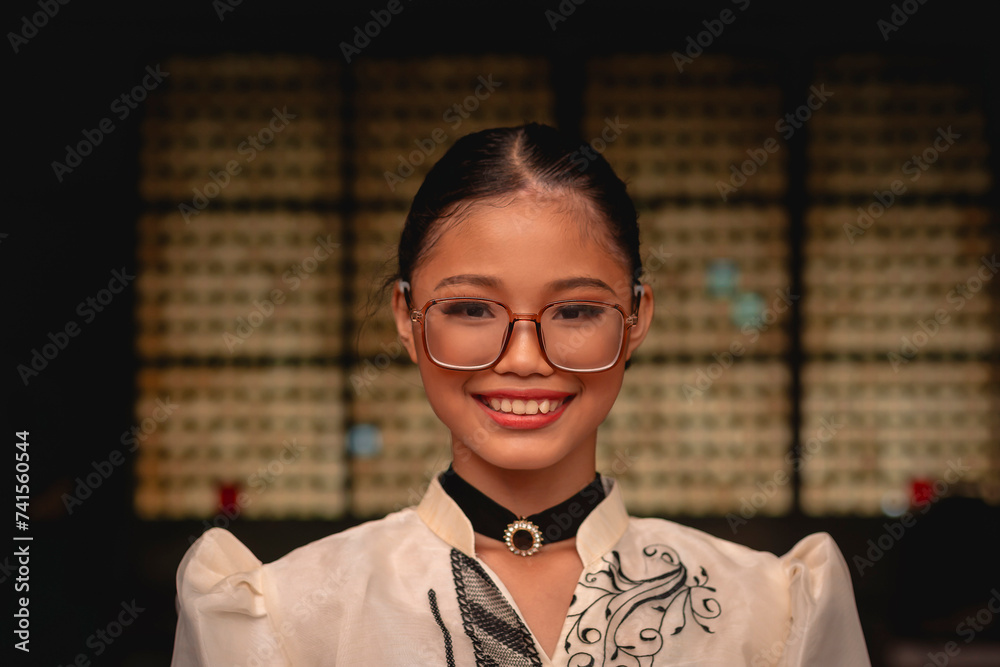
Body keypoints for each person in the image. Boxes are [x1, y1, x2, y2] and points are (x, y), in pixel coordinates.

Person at [170, 123, 871, 666]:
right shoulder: (288, 612)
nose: (526, 359)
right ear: (407, 320)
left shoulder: (772, 610)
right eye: (472, 309)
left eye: (575, 312)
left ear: (636, 319)